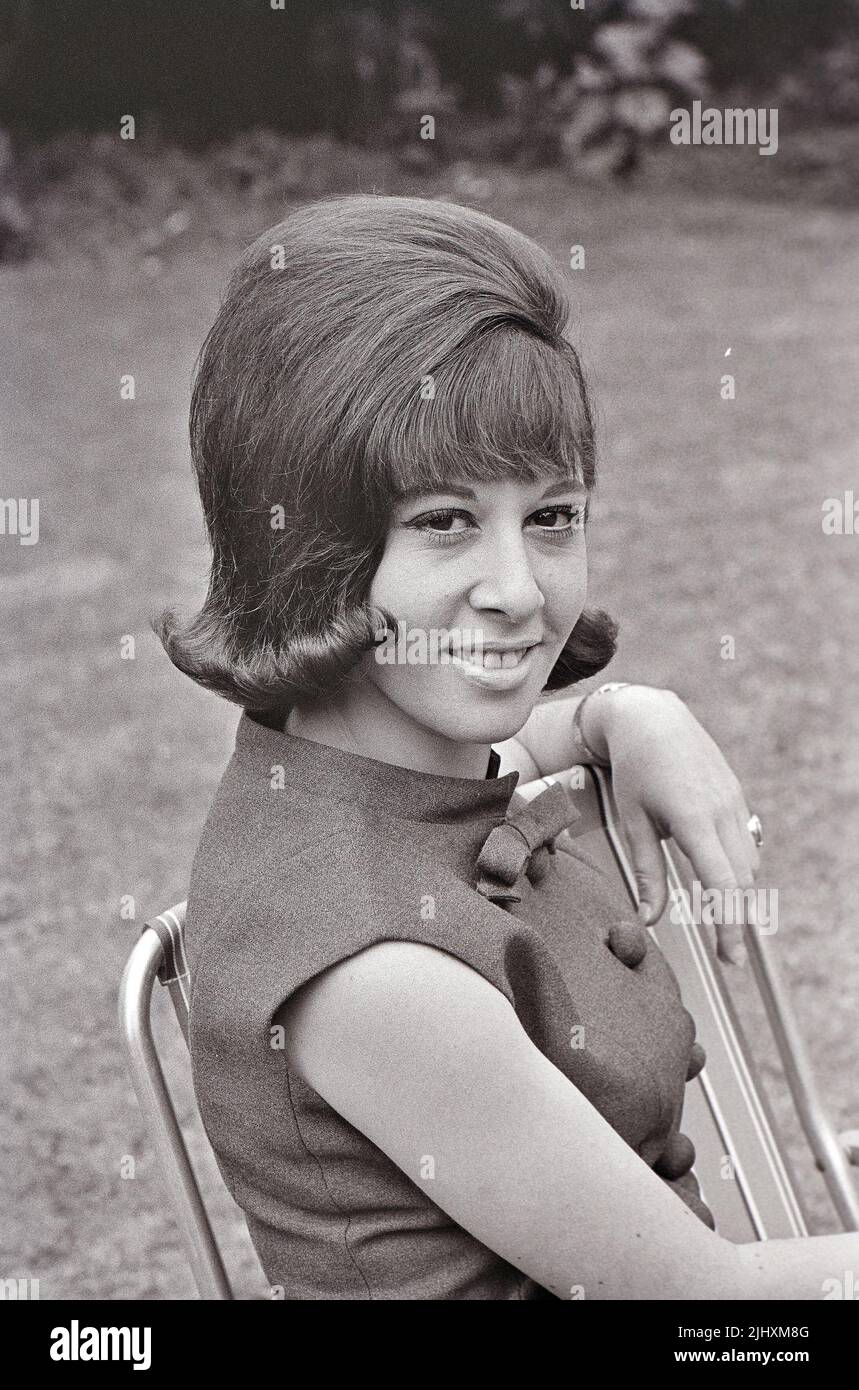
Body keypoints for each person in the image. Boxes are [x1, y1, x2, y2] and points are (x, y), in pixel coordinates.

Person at [158, 193, 857, 1299]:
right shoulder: (367, 968)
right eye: (444, 521)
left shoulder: (362, 763)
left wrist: (619, 712)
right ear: (306, 539)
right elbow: (699, 1305)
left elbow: (445, 793)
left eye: (552, 515)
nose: (519, 591)